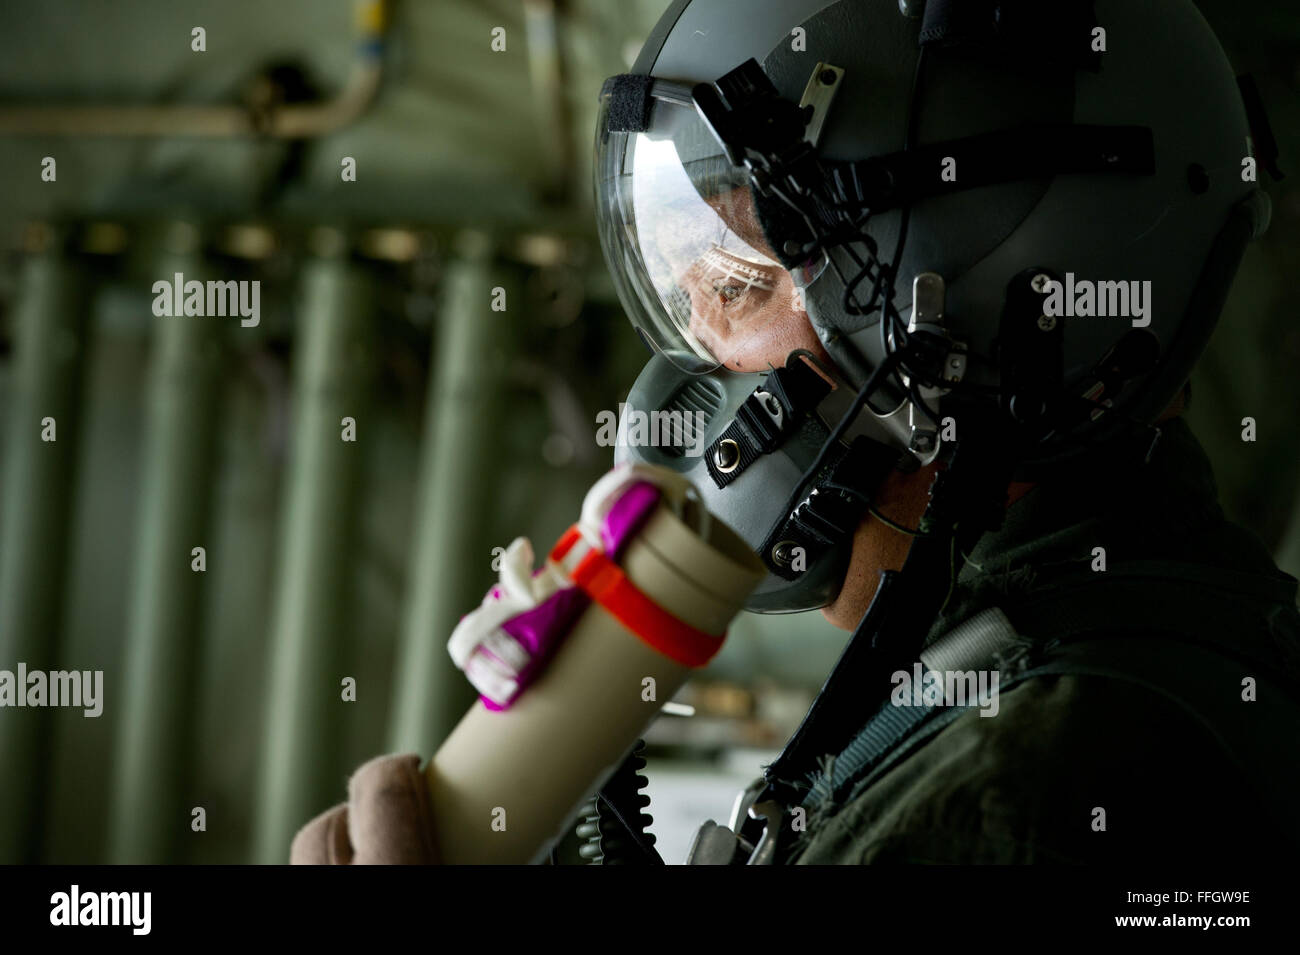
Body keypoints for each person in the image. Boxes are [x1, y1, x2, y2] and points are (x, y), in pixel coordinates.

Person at [292, 0, 1300, 865]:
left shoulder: (1045, 776)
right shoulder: (1088, 659)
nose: (687, 377)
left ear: (983, 309)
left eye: (734, 284)